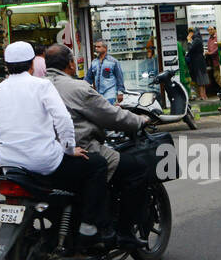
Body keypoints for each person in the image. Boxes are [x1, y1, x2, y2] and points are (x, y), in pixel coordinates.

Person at [0, 40, 114, 248]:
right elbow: (63, 120)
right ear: (32, 65)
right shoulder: (42, 86)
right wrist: (69, 148)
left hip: (11, 167)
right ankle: (89, 227)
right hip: (46, 164)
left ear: (7, 66)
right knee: (97, 164)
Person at [44, 44, 150, 249]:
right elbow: (111, 115)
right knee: (137, 169)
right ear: (71, 65)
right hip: (81, 150)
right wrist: (139, 121)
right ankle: (124, 232)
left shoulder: (37, 86)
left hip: (42, 156)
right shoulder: (78, 88)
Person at [85, 39, 125, 105]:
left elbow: (119, 78)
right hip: (99, 95)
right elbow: (88, 78)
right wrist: (83, 87)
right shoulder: (94, 62)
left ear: (105, 48)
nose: (96, 48)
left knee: (110, 113)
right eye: (95, 47)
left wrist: (120, 92)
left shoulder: (113, 61)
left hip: (110, 94)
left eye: (99, 47)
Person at [185, 29, 207, 102]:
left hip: (198, 62)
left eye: (190, 33)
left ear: (192, 33)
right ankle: (204, 95)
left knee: (200, 78)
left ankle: (202, 96)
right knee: (202, 78)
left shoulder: (196, 40)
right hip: (200, 61)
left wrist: (188, 41)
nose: (189, 35)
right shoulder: (198, 39)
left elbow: (190, 49)